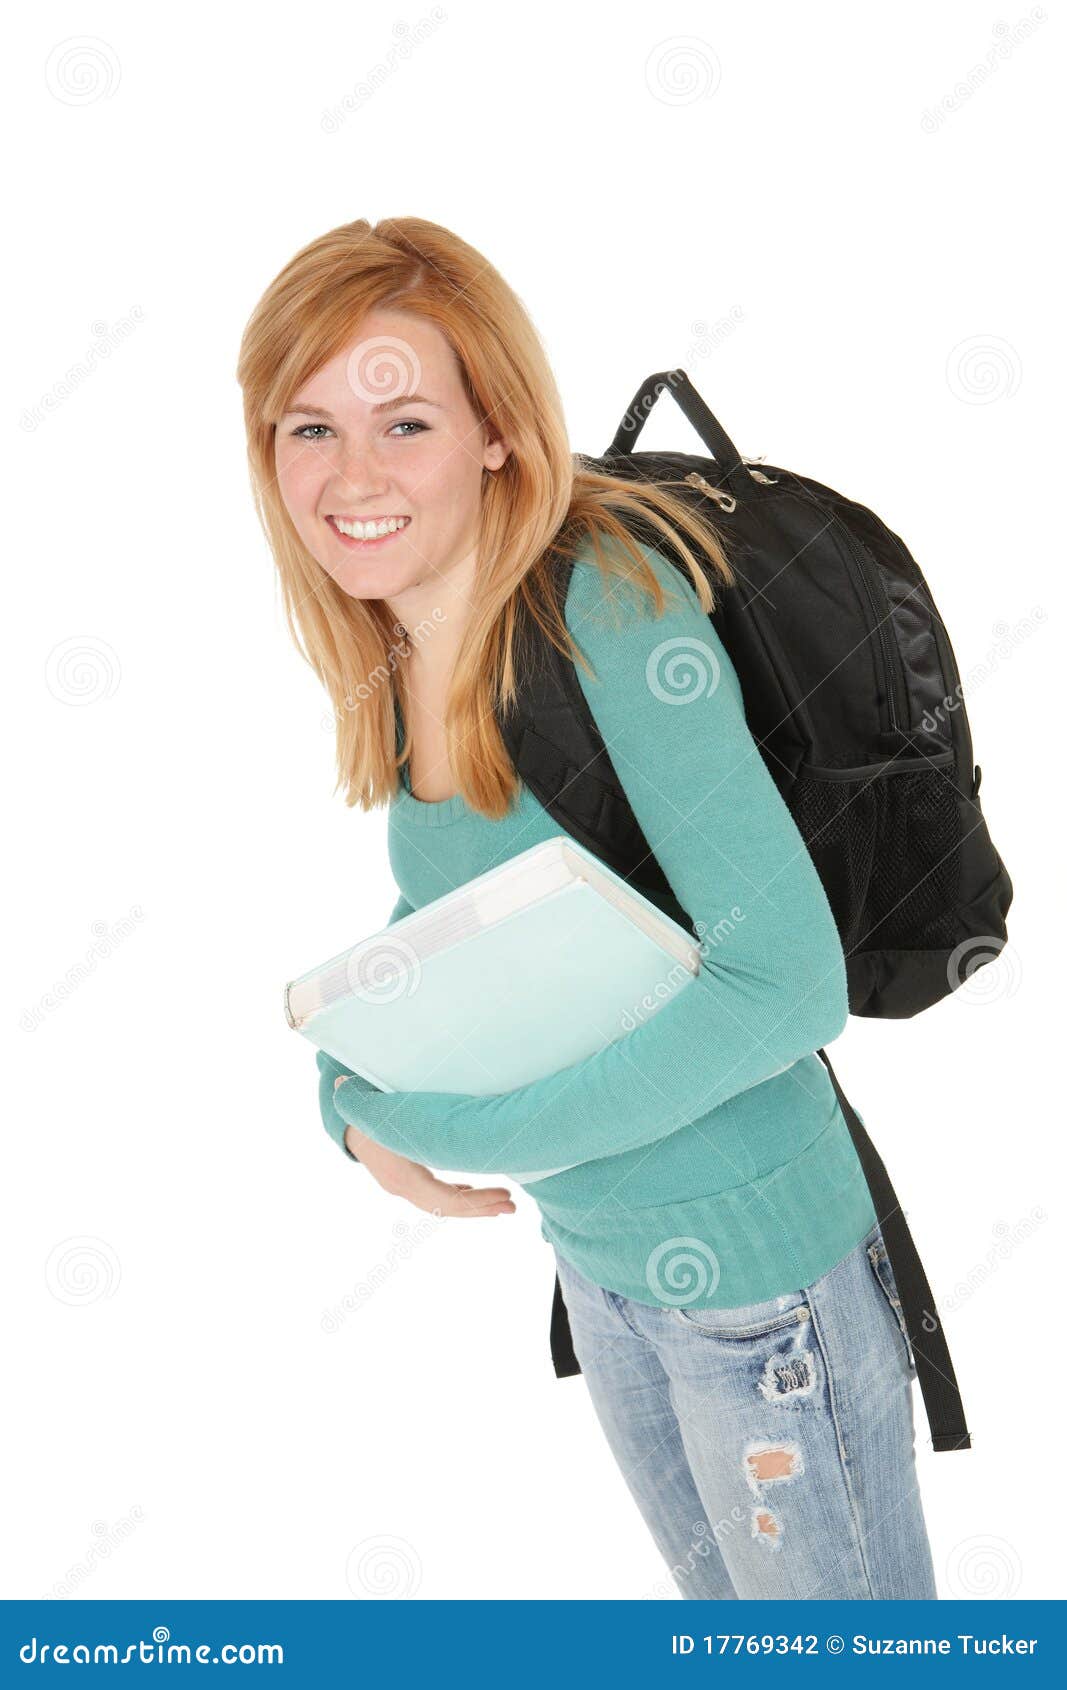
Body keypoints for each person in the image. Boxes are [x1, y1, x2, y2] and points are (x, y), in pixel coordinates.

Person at [236, 216, 938, 1600]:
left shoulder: (607, 610)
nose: (352, 477)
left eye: (406, 421)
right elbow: (461, 933)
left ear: (497, 429)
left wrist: (438, 1126)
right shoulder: (419, 634)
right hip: (614, 1276)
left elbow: (782, 987)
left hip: (761, 1295)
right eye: (307, 428)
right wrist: (346, 1091)